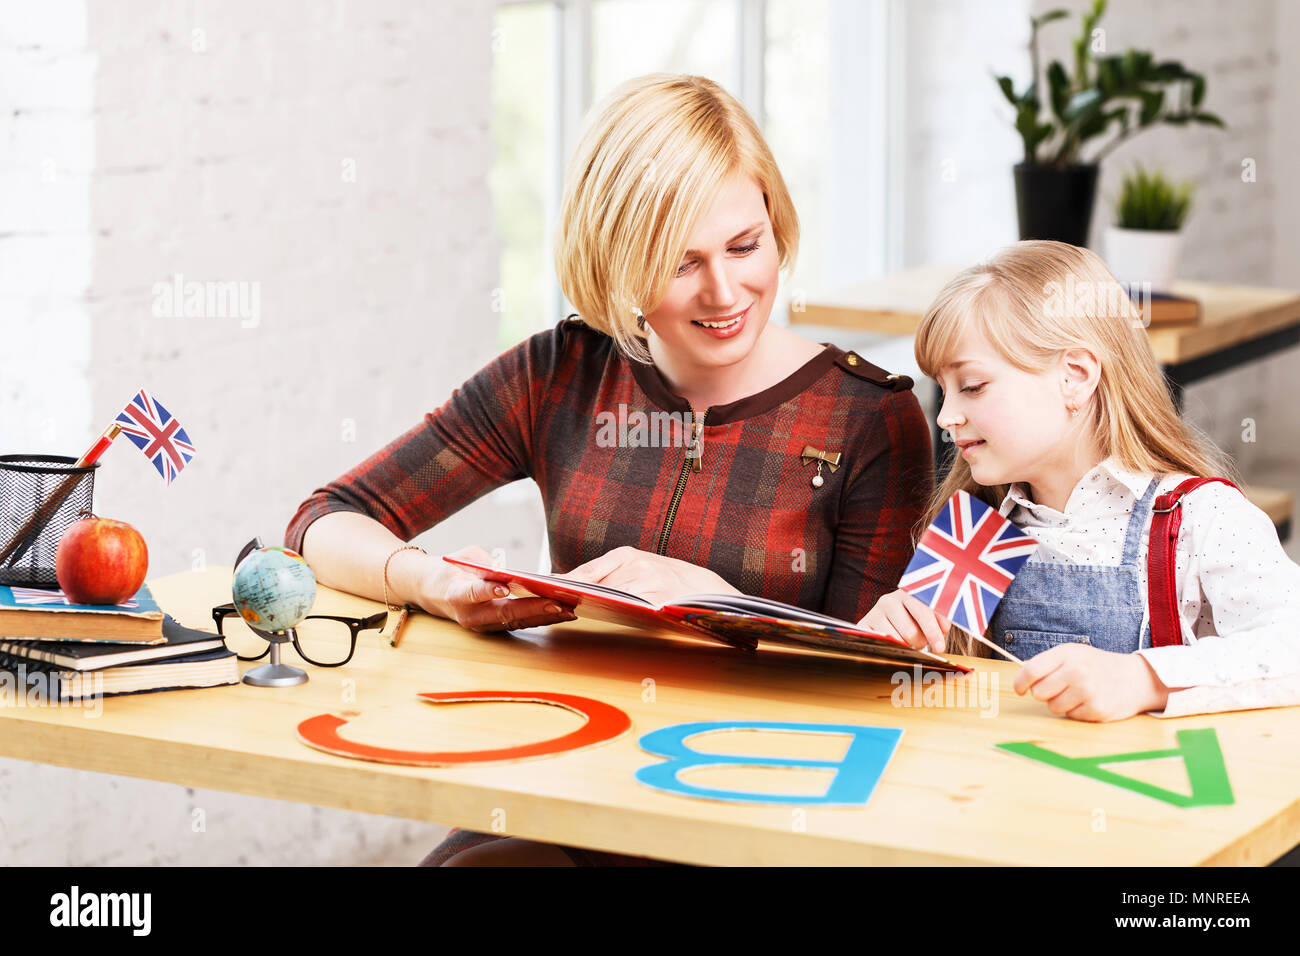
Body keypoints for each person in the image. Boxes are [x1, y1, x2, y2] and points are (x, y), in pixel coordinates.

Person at [282, 73, 933, 865]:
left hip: (754, 801)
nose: (727, 291)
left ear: (777, 226)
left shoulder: (869, 417)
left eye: (744, 245)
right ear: (617, 258)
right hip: (562, 778)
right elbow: (324, 520)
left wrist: (718, 608)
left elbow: (877, 688)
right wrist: (434, 584)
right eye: (679, 261)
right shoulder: (561, 372)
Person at [857, 239, 1300, 722]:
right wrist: (889, 649)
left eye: (972, 386)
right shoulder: (974, 525)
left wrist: (1142, 678)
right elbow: (927, 699)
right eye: (941, 391)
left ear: (1075, 376)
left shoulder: (1199, 517)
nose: (946, 417)